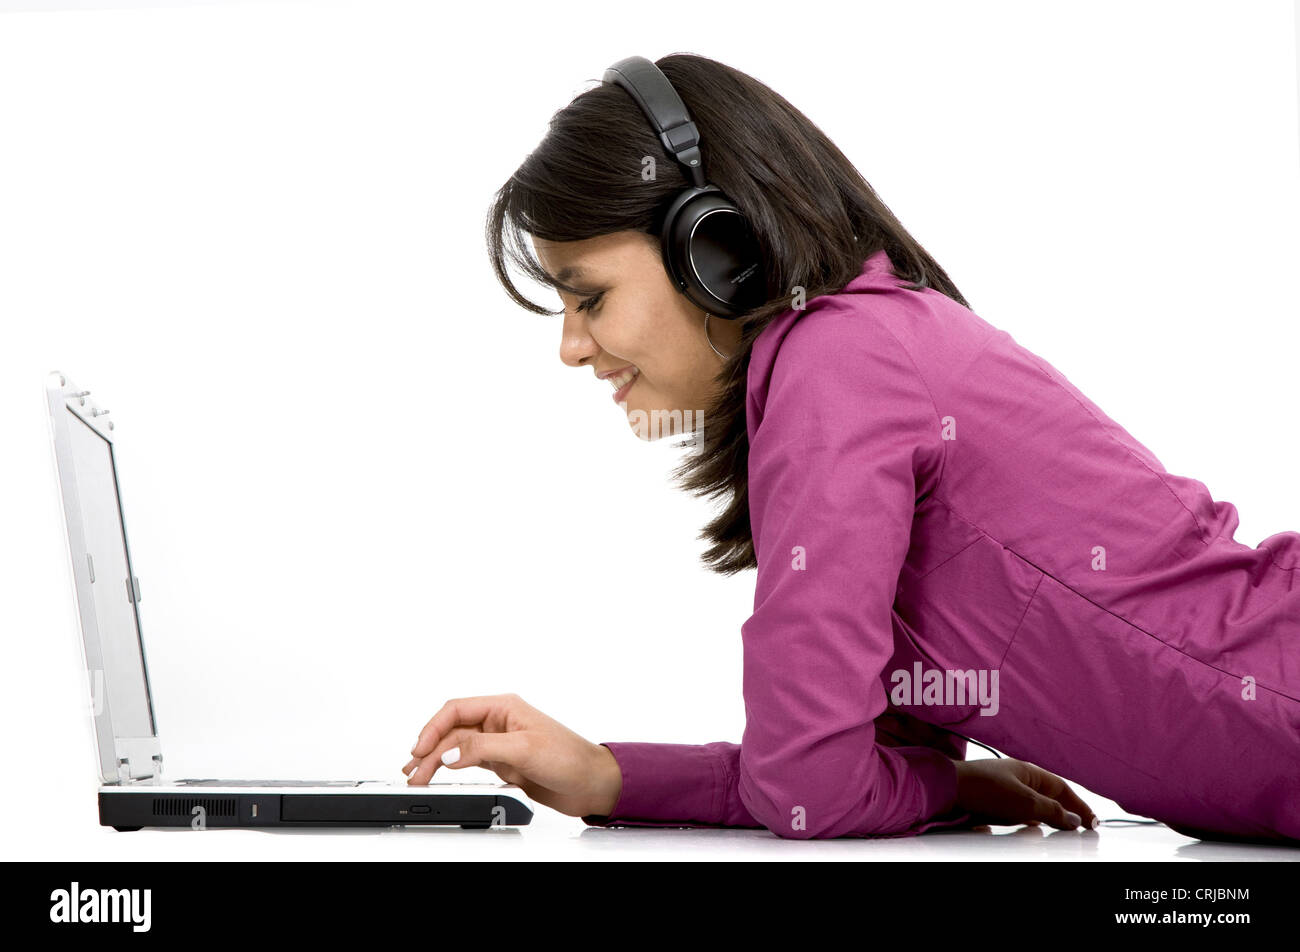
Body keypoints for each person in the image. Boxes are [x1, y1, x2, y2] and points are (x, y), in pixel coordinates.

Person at [403, 53, 1300, 843]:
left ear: (716, 250)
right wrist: (607, 774)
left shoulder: (838, 360)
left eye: (588, 297)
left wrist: (943, 786)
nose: (571, 346)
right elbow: (832, 768)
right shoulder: (856, 354)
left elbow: (811, 786)